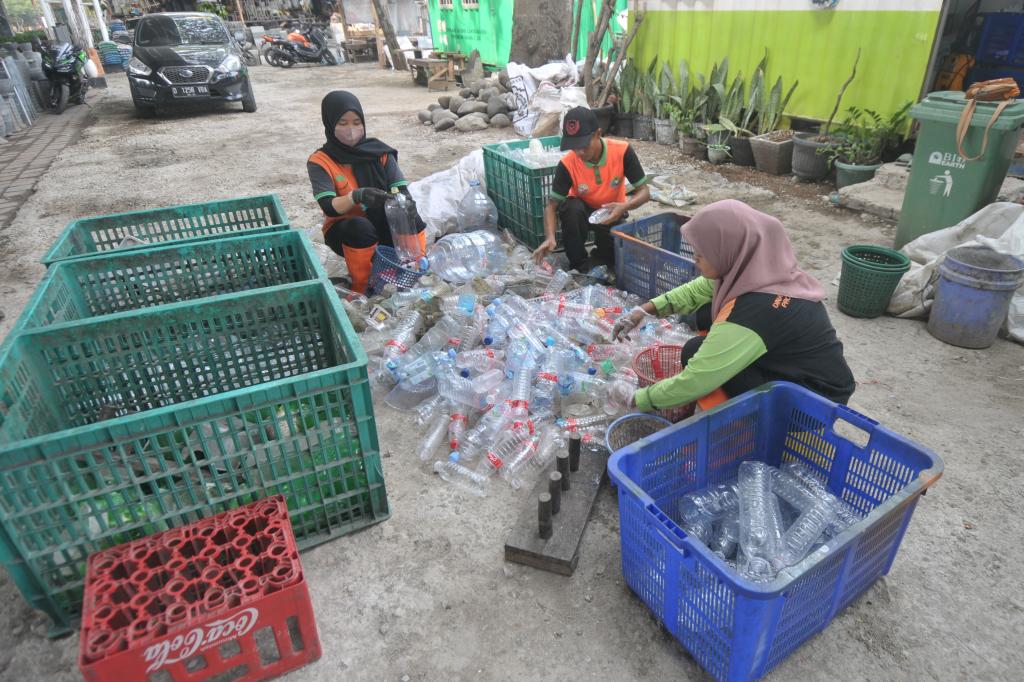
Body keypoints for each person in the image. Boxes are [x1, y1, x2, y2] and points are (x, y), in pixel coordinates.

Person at [612, 200, 855, 411]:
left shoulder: (755, 312)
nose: (694, 259)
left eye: (701, 254)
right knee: (697, 345)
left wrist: (637, 399)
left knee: (702, 361)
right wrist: (644, 310)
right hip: (795, 369)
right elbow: (698, 289)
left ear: (728, 250)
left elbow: (696, 380)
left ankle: (756, 426)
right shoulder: (760, 268)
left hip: (815, 400)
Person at [307, 90, 424, 294]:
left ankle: (415, 271)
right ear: (330, 123)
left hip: (383, 222)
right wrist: (356, 196)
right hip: (346, 231)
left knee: (408, 213)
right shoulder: (320, 161)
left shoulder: (380, 153)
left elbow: (401, 189)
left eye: (356, 122)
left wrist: (405, 203)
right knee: (359, 226)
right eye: (343, 123)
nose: (351, 130)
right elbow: (329, 207)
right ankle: (362, 287)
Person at [531, 106, 652, 272]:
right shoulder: (567, 164)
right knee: (571, 208)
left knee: (616, 258)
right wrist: (550, 237)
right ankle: (578, 264)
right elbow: (551, 206)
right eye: (574, 146)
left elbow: (644, 192)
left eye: (584, 145)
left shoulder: (622, 151)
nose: (579, 152)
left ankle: (600, 255)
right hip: (582, 213)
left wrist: (624, 206)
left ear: (598, 134)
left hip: (612, 212)